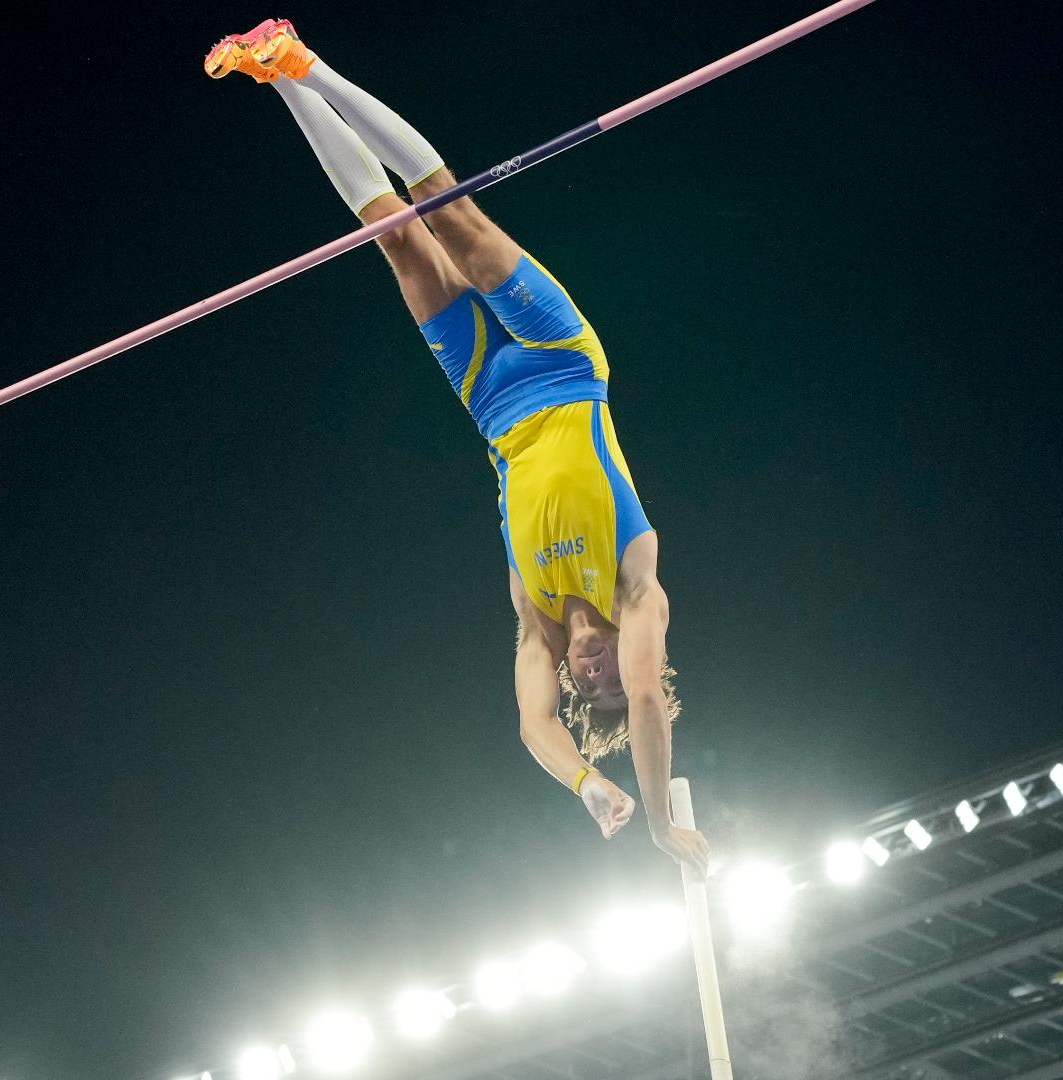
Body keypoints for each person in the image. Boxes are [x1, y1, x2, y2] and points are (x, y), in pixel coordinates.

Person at [207, 19, 709, 873]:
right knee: (450, 211)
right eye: (614, 678)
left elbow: (531, 725)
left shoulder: (533, 618)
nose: (595, 675)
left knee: (398, 239)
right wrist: (662, 822)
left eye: (590, 689)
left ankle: (282, 73)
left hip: (486, 395)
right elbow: (651, 714)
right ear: (636, 662)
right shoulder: (637, 587)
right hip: (562, 363)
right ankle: (315, 59)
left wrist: (590, 784)